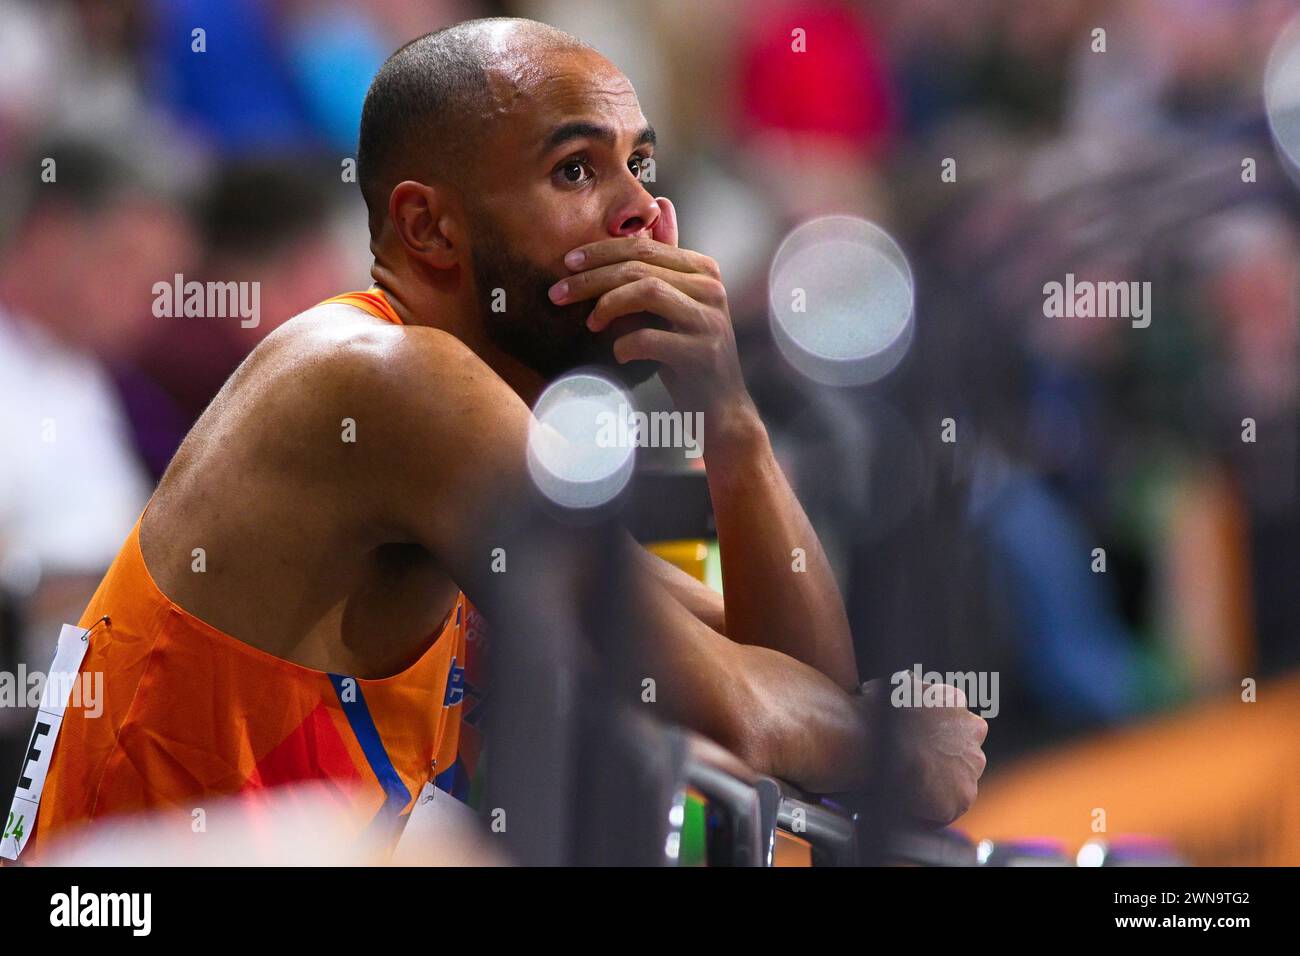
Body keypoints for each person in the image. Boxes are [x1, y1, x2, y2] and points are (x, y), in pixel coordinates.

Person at [18, 18, 986, 862]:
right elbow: (739, 707)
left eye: (638, 164)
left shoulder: (464, 428)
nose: (640, 212)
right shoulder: (386, 380)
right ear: (428, 226)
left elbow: (789, 678)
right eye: (575, 168)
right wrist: (888, 737)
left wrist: (727, 415)